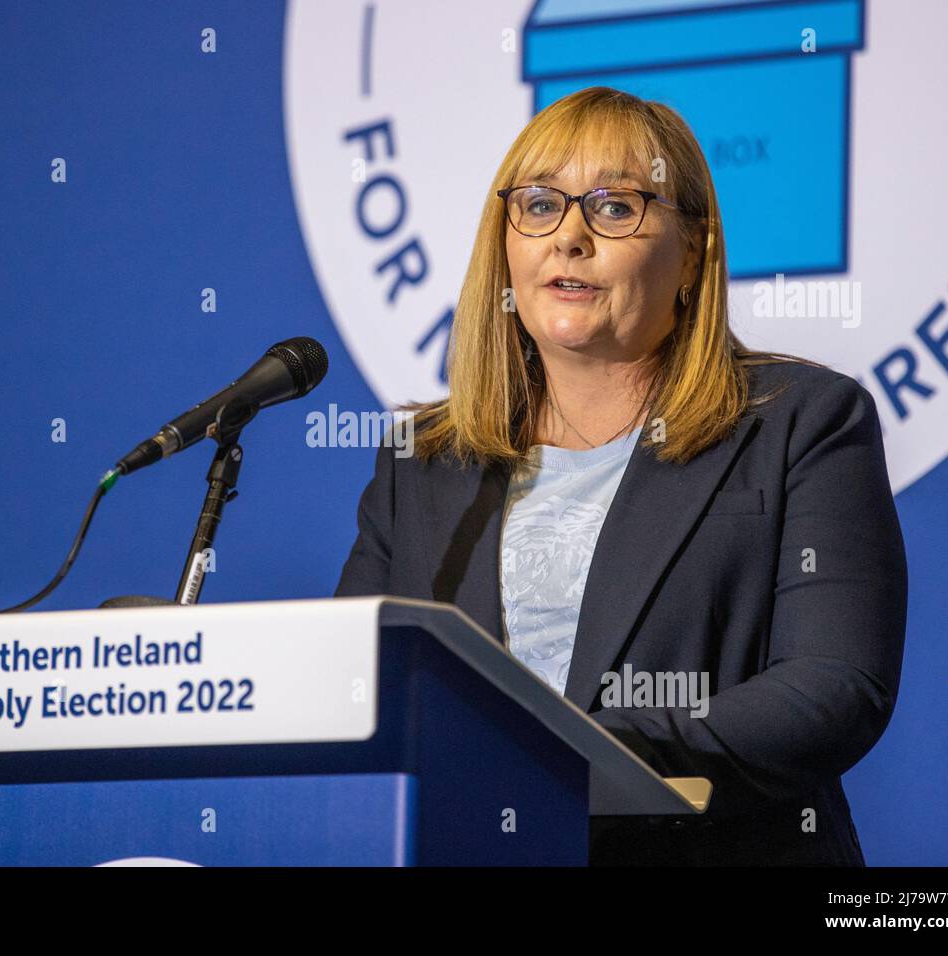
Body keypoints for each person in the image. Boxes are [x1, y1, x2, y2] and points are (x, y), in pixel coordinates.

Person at [334, 87, 907, 866]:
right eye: (539, 205)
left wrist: (567, 757)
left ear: (693, 250)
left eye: (614, 207)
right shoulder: (425, 463)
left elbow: (831, 689)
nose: (569, 236)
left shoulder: (799, 423)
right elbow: (357, 690)